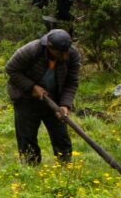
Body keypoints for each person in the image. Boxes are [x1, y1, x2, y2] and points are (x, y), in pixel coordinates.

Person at [6, 28, 80, 164]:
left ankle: (65, 166)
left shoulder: (72, 55)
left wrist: (65, 105)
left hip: (54, 99)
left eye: (66, 52)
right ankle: (31, 167)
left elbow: (71, 82)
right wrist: (32, 87)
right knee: (26, 137)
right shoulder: (31, 51)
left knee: (61, 136)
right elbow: (11, 69)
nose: (64, 56)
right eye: (60, 53)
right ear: (49, 47)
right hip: (26, 98)